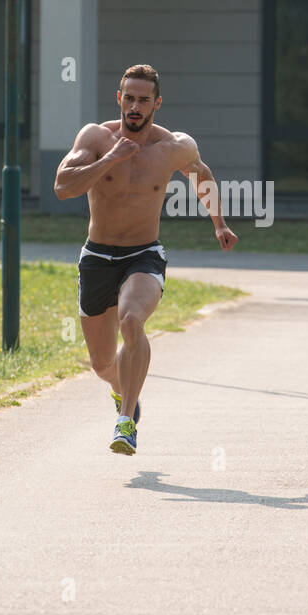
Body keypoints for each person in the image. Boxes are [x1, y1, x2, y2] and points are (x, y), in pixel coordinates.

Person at [53, 64, 237, 455]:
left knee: (132, 320)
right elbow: (62, 187)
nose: (135, 106)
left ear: (157, 104)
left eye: (143, 100)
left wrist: (219, 223)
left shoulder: (174, 147)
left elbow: (201, 174)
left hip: (144, 254)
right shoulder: (96, 137)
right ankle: (123, 393)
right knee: (102, 364)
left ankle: (125, 425)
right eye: (129, 98)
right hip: (97, 256)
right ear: (119, 99)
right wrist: (110, 160)